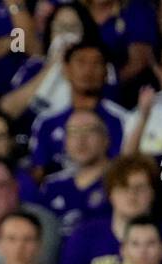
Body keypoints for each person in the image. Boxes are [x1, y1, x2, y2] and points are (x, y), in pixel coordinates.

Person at [59, 152, 158, 264]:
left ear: (153, 193)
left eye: (140, 187)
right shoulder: (84, 235)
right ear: (110, 193)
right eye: (123, 187)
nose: (131, 195)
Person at [28, 40, 130, 176]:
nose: (88, 71)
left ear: (106, 72)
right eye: (81, 62)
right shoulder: (46, 122)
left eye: (96, 64)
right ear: (66, 70)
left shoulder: (122, 119)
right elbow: (38, 172)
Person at [39, 109, 111, 236]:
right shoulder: (52, 186)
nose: (81, 140)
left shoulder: (118, 182)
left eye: (89, 130)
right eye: (73, 132)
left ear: (106, 139)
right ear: (65, 142)